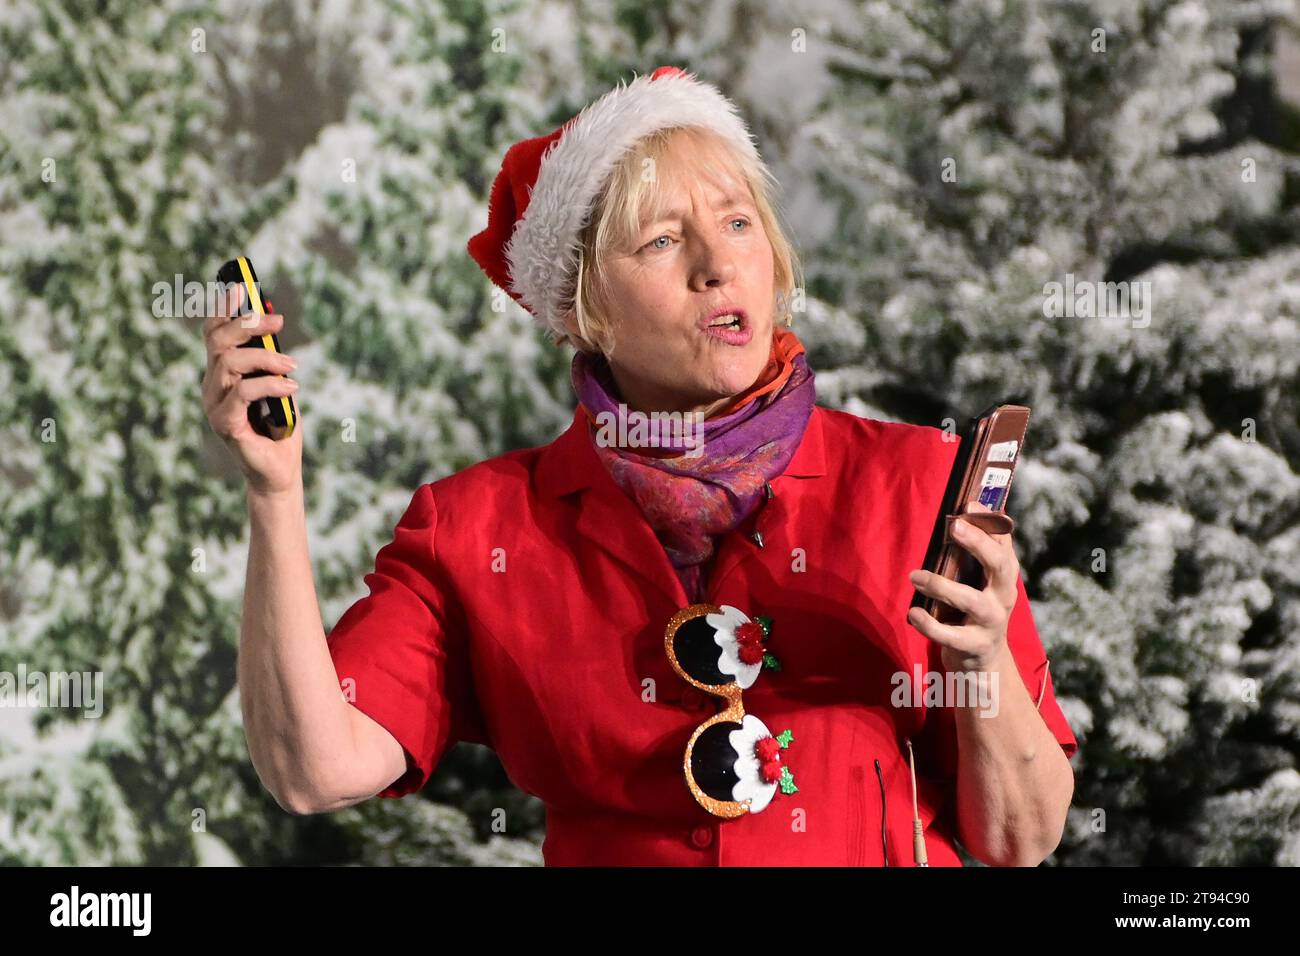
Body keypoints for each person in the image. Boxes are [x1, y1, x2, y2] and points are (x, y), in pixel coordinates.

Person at [204, 66, 1077, 867]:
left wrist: (982, 660)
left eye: (738, 222)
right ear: (585, 309)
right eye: (661, 241)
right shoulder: (478, 530)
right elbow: (313, 767)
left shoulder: (920, 483)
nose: (716, 263)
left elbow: (1021, 837)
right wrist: (274, 494)